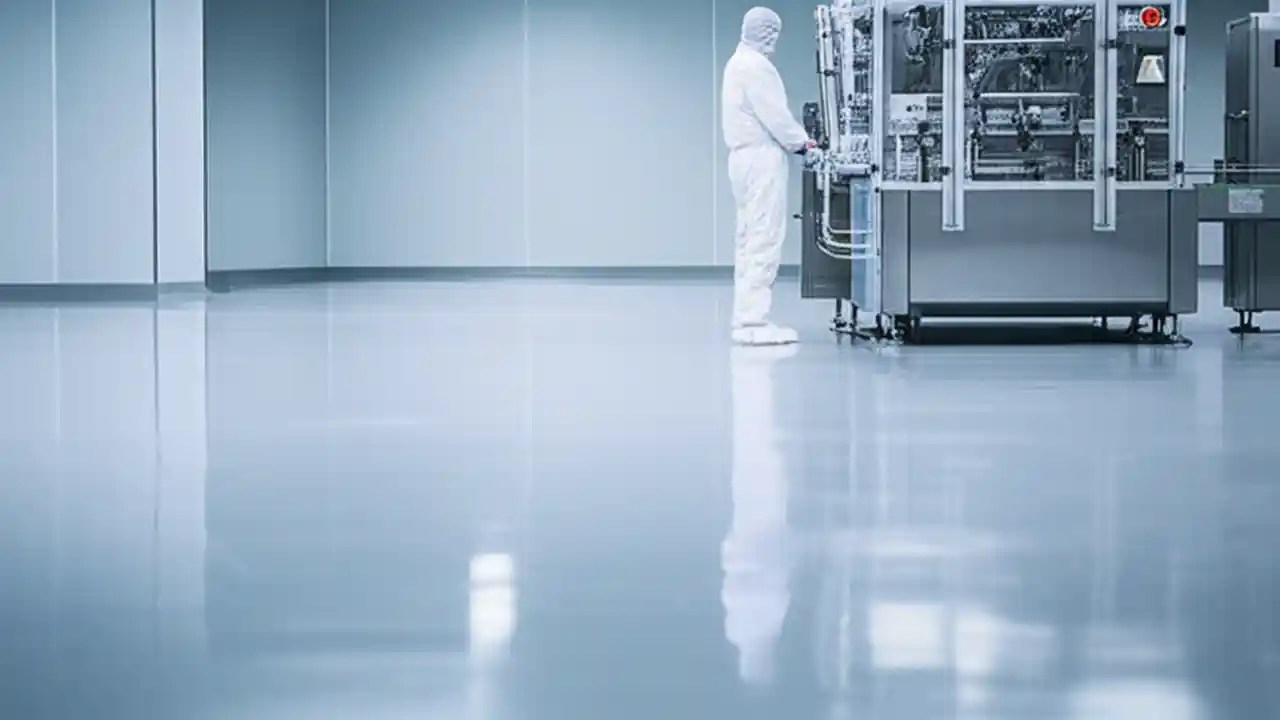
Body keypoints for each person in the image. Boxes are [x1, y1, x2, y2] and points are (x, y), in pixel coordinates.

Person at [722, 7, 815, 346]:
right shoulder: (757, 67)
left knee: (748, 238)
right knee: (764, 236)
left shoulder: (737, 62)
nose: (774, 38)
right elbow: (776, 117)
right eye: (773, 31)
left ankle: (744, 317)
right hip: (761, 158)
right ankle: (754, 321)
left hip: (742, 159)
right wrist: (804, 144)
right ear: (768, 33)